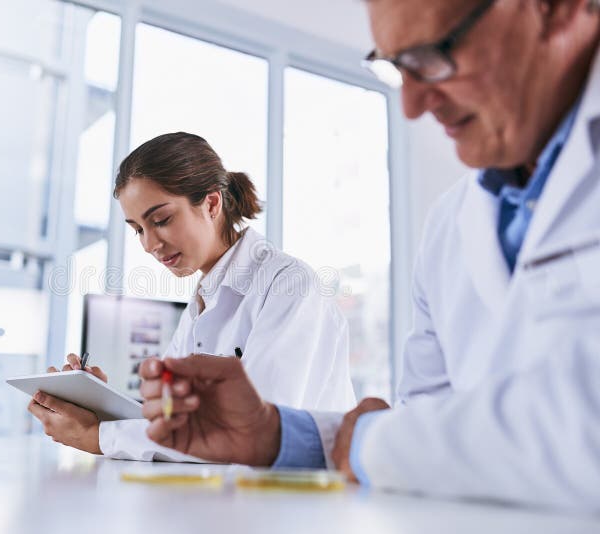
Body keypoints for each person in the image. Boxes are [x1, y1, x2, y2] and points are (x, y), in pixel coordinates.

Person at [137, 0, 600, 511]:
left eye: (436, 52)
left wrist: (369, 442)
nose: (413, 105)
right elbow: (426, 429)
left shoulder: (289, 282)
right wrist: (275, 434)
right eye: (399, 66)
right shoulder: (450, 225)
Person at [28, 132, 356, 461]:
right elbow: (174, 422)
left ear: (212, 203)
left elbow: (247, 432)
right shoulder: (203, 301)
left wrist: (98, 436)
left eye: (161, 220)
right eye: (138, 229)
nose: (148, 244)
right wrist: (97, 410)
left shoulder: (289, 286)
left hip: (304, 502)